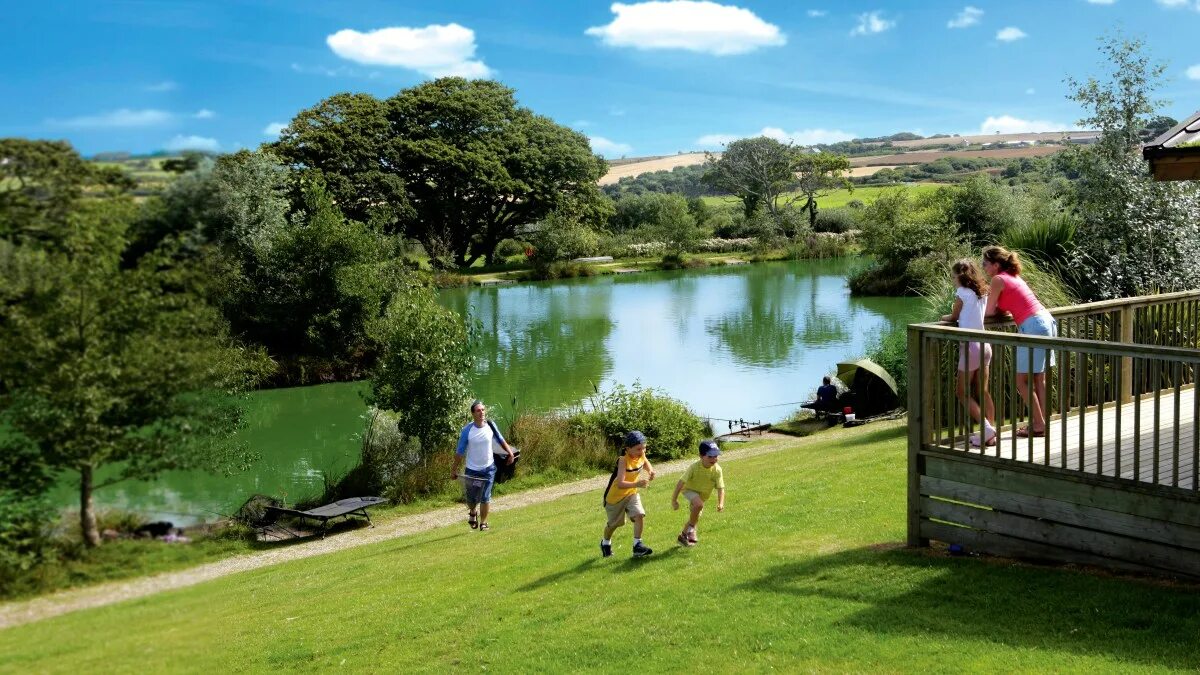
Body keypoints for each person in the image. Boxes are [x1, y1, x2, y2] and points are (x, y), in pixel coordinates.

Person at [982, 246, 1057, 438]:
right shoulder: (1013, 276)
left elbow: (988, 312)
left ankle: (1039, 424)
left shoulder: (998, 279)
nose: (983, 267)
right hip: (1045, 320)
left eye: (985, 263)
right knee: (1038, 378)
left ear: (995, 265)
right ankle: (1041, 423)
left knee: (1021, 381)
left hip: (1032, 326)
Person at [942, 259, 997, 447]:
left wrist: (944, 318)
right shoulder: (982, 292)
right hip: (985, 345)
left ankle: (986, 427)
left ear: (959, 276)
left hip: (970, 346)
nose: (952, 279)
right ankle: (991, 434)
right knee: (983, 390)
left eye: (953, 275)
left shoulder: (962, 292)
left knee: (961, 392)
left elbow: (954, 316)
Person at [451, 400, 515, 531]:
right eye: (478, 410)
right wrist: (454, 469)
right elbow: (459, 451)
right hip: (472, 471)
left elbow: (501, 439)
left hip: (489, 469)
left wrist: (510, 453)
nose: (482, 413)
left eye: (483, 410)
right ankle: (473, 512)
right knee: (472, 498)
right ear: (473, 414)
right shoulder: (467, 430)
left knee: (486, 496)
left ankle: (484, 523)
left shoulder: (491, 426)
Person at [600, 430, 656, 558]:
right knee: (616, 524)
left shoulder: (641, 455)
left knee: (639, 515)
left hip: (631, 493)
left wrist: (651, 471)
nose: (642, 451)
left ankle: (637, 546)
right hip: (615, 498)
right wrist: (637, 484)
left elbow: (646, 463)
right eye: (638, 449)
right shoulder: (622, 460)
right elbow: (620, 483)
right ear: (628, 449)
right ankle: (605, 543)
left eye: (644, 448)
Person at [671, 439, 726, 547]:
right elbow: (681, 483)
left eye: (716, 456)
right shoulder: (694, 467)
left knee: (695, 516)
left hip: (703, 496)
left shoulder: (717, 470)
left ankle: (683, 536)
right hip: (689, 490)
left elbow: (720, 488)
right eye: (710, 456)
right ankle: (692, 530)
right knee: (698, 505)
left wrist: (721, 503)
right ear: (701, 456)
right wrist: (674, 500)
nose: (714, 459)